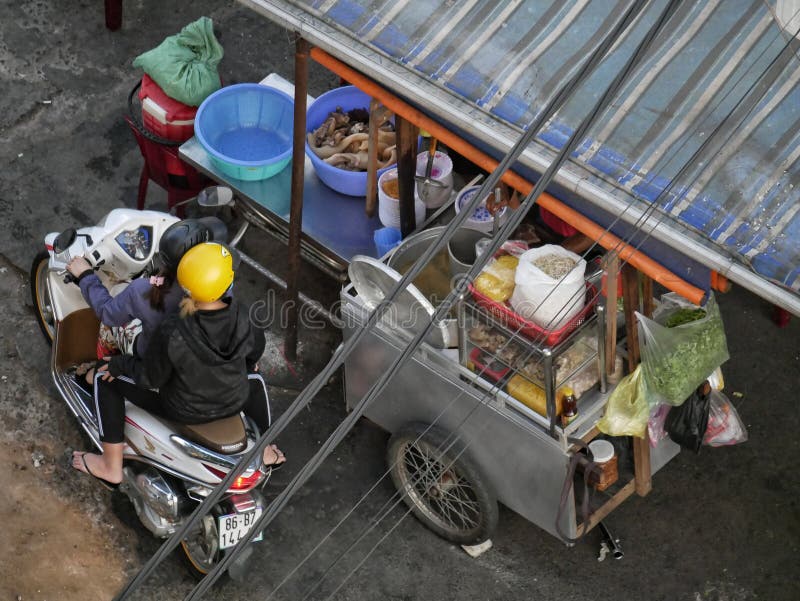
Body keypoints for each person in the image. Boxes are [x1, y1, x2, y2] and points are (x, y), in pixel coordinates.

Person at [71, 242, 285, 488]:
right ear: (228, 285)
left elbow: (151, 378)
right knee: (255, 379)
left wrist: (120, 364)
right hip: (232, 400)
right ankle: (264, 450)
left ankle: (110, 466)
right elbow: (255, 351)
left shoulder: (174, 329)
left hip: (183, 410)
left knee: (102, 375)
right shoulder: (243, 315)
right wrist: (242, 365)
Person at [66, 219, 213, 358]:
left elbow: (107, 312)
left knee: (114, 300)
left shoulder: (142, 290)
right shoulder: (220, 287)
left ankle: (104, 360)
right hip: (186, 355)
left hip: (148, 355)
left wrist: (86, 275)